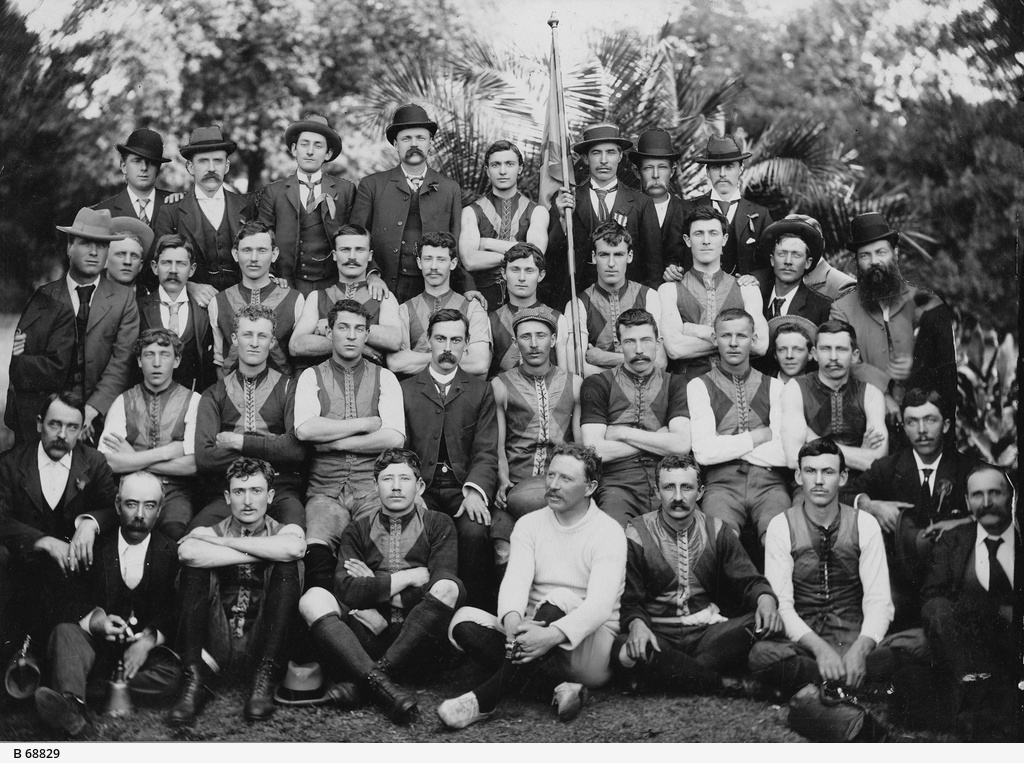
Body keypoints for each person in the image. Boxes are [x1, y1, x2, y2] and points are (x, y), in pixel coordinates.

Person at [437, 444, 626, 729]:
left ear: (590, 487)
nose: (553, 485)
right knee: (461, 623)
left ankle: (485, 698)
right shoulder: (529, 524)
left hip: (586, 646)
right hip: (531, 638)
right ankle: (559, 686)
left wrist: (550, 635)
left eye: (566, 479)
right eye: (551, 475)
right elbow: (515, 582)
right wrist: (512, 620)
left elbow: (599, 608)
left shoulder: (608, 531)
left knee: (560, 597)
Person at [299, 448, 463, 725]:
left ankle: (369, 682)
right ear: (375, 486)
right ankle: (384, 685)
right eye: (387, 479)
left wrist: (373, 588)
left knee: (448, 587)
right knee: (313, 598)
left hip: (421, 645)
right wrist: (408, 578)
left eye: (405, 479)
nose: (396, 487)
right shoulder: (358, 530)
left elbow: (442, 584)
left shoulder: (438, 524)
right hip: (367, 639)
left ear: (420, 486)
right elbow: (346, 589)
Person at [615, 454, 782, 695]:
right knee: (623, 648)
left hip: (707, 634)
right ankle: (725, 684)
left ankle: (672, 676)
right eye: (669, 488)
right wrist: (637, 625)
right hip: (658, 634)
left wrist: (765, 601)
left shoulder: (717, 530)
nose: (678, 497)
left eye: (687, 487)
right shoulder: (637, 533)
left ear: (701, 491)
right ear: (656, 490)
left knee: (763, 622)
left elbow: (750, 581)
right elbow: (630, 600)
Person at [748, 438, 901, 698]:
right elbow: (782, 606)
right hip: (805, 642)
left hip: (855, 636)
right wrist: (821, 650)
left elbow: (879, 602)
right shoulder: (780, 525)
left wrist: (861, 649)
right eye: (810, 471)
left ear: (842, 477)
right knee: (760, 656)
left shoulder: (864, 523)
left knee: (918, 645)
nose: (818, 481)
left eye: (828, 472)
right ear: (798, 476)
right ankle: (851, 683)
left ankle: (826, 682)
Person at [33, 471, 181, 737]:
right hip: (95, 649)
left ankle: (90, 689)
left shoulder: (171, 553)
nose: (139, 514)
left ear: (159, 510)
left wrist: (147, 641)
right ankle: (73, 710)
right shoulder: (93, 547)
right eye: (131, 504)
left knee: (172, 675)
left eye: (149, 506)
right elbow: (67, 600)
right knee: (65, 633)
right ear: (116, 505)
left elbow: (174, 608)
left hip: (140, 658)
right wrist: (97, 621)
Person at [170, 457, 305, 725]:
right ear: (227, 497)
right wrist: (263, 551)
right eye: (239, 491)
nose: (247, 501)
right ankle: (194, 677)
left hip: (263, 640)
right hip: (216, 640)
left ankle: (264, 679)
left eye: (256, 491)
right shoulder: (204, 530)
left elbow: (294, 549)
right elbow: (187, 551)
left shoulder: (285, 530)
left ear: (270, 496)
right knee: (193, 570)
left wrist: (223, 544)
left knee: (288, 567)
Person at [847, 388, 982, 629]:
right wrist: (869, 505)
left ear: (947, 425)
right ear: (904, 426)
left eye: (930, 420)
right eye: (912, 422)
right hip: (903, 583)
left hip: (953, 583)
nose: (922, 431)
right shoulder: (888, 467)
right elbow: (844, 494)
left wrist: (963, 522)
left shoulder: (968, 470)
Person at [294, 300, 405, 583]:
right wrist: (366, 425)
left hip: (371, 489)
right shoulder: (311, 376)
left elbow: (394, 438)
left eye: (359, 329)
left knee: (386, 555)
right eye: (343, 327)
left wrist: (334, 443)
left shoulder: (386, 378)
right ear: (330, 332)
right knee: (317, 559)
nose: (351, 335)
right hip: (324, 491)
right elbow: (306, 430)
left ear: (368, 334)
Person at [0, 392, 119, 653]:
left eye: (72, 427)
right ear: (39, 423)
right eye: (55, 424)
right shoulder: (10, 464)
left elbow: (112, 508)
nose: (62, 435)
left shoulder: (94, 463)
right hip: (23, 573)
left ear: (81, 430)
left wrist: (90, 523)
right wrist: (43, 541)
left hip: (74, 577)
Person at [400, 309, 498, 610]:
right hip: (421, 488)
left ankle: (471, 614)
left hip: (461, 487)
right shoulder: (405, 390)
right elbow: (400, 449)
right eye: (440, 338)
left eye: (456, 340)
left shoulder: (480, 391)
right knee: (415, 530)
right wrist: (411, 491)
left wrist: (473, 491)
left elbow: (486, 450)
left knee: (475, 531)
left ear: (467, 344)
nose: (447, 348)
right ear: (427, 342)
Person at [831, 212, 957, 428]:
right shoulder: (841, 309)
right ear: (856, 262)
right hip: (868, 420)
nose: (874, 262)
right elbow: (846, 363)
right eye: (865, 256)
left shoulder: (927, 303)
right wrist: (883, 392)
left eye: (881, 252)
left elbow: (946, 375)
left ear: (895, 253)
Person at [920, 465, 1017, 737]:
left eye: (995, 493)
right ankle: (984, 705)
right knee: (936, 609)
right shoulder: (954, 541)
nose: (986, 503)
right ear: (966, 501)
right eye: (977, 495)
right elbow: (931, 597)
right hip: (969, 644)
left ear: (1011, 496)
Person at [192, 305, 306, 529]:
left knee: (295, 536)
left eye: (262, 336)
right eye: (247, 335)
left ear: (272, 342)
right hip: (229, 492)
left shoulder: (289, 389)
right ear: (234, 339)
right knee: (194, 536)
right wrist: (273, 448)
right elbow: (205, 457)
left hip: (279, 491)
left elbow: (296, 449)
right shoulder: (214, 393)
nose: (254, 343)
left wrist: (239, 441)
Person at [33, 208, 140, 444]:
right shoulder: (45, 297)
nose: (93, 252)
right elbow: (31, 365)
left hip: (102, 413)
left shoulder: (123, 299)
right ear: (69, 247)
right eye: (85, 243)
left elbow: (121, 362)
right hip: (52, 414)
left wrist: (92, 410)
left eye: (101, 246)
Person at [491, 309, 582, 574]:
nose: (533, 344)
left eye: (541, 335)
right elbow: (497, 445)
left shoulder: (574, 384)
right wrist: (502, 481)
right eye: (525, 336)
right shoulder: (500, 385)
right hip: (516, 484)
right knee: (502, 551)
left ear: (553, 340)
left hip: (562, 484)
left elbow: (580, 446)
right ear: (515, 341)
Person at [687, 309, 789, 545]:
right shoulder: (699, 386)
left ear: (753, 340)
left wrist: (722, 444)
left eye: (741, 336)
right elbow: (703, 452)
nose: (733, 343)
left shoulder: (775, 386)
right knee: (720, 542)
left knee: (779, 539)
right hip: (721, 485)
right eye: (725, 336)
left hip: (769, 483)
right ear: (714, 339)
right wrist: (759, 436)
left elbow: (784, 453)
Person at [581, 309, 691, 527]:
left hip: (669, 478)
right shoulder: (598, 384)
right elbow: (595, 450)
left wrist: (622, 433)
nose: (639, 350)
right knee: (616, 538)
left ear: (658, 343)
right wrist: (658, 439)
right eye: (630, 342)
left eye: (646, 340)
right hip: (617, 483)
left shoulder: (676, 384)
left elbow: (681, 446)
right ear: (619, 346)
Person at [350, 104, 463, 303]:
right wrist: (372, 275)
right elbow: (356, 238)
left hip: (433, 290)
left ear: (430, 143)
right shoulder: (372, 185)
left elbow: (456, 246)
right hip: (382, 288)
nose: (414, 144)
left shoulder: (449, 189)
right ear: (395, 144)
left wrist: (467, 287)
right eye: (406, 139)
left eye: (420, 138)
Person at [98, 329, 201, 541]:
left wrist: (132, 458)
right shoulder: (123, 401)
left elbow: (191, 465)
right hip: (131, 489)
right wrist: (167, 452)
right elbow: (107, 463)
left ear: (177, 361)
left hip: (174, 492)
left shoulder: (194, 401)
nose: (156, 363)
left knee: (174, 535)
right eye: (149, 354)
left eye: (164, 355)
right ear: (138, 360)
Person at [545, 124, 662, 308]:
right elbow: (551, 255)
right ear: (585, 158)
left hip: (628, 304)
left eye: (611, 152)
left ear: (621, 156)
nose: (604, 160)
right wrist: (561, 220)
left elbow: (653, 264)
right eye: (596, 153)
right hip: (577, 303)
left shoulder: (641, 203)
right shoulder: (565, 200)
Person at [658, 206, 769, 383]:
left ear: (724, 239)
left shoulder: (746, 288)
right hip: (687, 387)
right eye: (699, 234)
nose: (706, 241)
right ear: (687, 240)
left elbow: (761, 344)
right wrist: (736, 340)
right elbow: (675, 348)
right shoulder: (669, 290)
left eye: (713, 233)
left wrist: (695, 330)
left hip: (736, 387)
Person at [153, 125, 256, 302]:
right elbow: (157, 267)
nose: (211, 168)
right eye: (203, 161)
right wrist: (190, 287)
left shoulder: (246, 206)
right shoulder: (172, 211)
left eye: (218, 161)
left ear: (227, 166)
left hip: (241, 304)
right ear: (190, 167)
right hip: (194, 306)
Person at [257, 114, 356, 296]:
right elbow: (263, 239)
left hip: (333, 285)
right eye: (304, 144)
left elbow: (355, 237)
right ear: (294, 149)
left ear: (328, 153)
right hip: (287, 285)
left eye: (318, 145)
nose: (310, 151)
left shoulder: (345, 190)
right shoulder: (274, 192)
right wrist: (271, 275)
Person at [780, 319, 888, 475]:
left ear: (854, 356)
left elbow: (877, 463)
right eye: (825, 349)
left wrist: (813, 439)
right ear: (814, 354)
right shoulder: (795, 389)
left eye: (841, 349)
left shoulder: (870, 394)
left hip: (859, 482)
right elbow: (793, 459)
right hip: (811, 483)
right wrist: (858, 456)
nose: (833, 357)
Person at [289, 224, 401, 368]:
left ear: (370, 255)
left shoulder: (382, 295)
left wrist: (331, 329)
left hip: (371, 383)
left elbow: (394, 340)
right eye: (345, 250)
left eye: (359, 250)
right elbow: (296, 345)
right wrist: (360, 347)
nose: (352, 257)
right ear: (335, 255)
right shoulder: (317, 297)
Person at [459, 140, 549, 311]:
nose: (502, 171)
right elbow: (470, 260)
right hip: (483, 301)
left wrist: (487, 244)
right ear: (487, 170)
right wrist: (519, 256)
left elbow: (536, 253)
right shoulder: (471, 211)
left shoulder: (537, 211)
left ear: (520, 168)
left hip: (525, 300)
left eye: (509, 164)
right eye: (495, 164)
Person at [387, 232, 491, 378]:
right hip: (418, 394)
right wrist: (456, 358)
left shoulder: (472, 307)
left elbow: (479, 363)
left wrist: (414, 359)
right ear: (419, 263)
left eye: (441, 260)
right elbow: (396, 363)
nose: (433, 266)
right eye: (428, 259)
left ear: (453, 264)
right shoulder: (404, 309)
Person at [208, 221, 305, 377]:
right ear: (235, 254)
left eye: (262, 250)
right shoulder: (218, 302)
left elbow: (299, 361)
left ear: (274, 255)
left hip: (281, 396)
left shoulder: (294, 300)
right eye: (247, 250)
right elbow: (219, 360)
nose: (254, 258)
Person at [569, 222, 665, 378]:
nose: (611, 264)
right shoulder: (579, 303)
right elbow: (577, 368)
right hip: (602, 392)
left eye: (618, 255)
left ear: (630, 256)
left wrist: (602, 358)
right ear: (594, 257)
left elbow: (660, 362)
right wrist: (639, 362)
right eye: (604, 255)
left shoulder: (649, 296)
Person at [672, 134, 772, 278]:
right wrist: (672, 268)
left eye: (729, 167)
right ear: (707, 172)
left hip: (742, 295)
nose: (722, 174)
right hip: (696, 295)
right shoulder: (686, 209)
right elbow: (672, 257)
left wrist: (754, 279)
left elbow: (768, 265)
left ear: (741, 169)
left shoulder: (761, 215)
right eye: (716, 168)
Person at [754, 214, 831, 378]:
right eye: (782, 254)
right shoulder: (754, 297)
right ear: (772, 260)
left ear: (808, 263)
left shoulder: (822, 307)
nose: (788, 261)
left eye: (796, 255)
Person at [137, 234, 216, 392]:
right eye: (166, 263)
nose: (173, 270)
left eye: (181, 264)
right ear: (154, 267)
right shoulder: (138, 307)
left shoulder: (205, 310)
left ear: (192, 269)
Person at [5, 288, 76, 446]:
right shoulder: (39, 298)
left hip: (44, 417)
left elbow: (57, 366)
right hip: (21, 415)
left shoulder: (58, 305)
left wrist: (19, 362)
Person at [485, 243, 567, 379]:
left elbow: (564, 376)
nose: (521, 278)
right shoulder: (491, 321)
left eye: (529, 270)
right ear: (504, 273)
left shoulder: (557, 319)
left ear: (541, 275)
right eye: (515, 270)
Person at [630, 129, 688, 276]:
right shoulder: (626, 210)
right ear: (637, 172)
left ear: (672, 171)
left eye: (662, 167)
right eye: (648, 168)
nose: (656, 175)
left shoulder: (688, 212)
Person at [93, 128, 172, 234]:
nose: (144, 167)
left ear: (158, 168)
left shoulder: (175, 204)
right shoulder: (102, 212)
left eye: (151, 162)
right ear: (123, 166)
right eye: (137, 161)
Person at [105, 216, 155, 298]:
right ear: (105, 260)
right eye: (120, 254)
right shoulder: (89, 296)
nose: (127, 262)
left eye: (134, 256)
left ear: (140, 265)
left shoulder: (149, 301)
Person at [769, 318, 817, 383]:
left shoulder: (818, 390)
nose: (789, 356)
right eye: (782, 349)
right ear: (775, 354)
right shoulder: (763, 387)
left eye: (797, 349)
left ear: (811, 353)